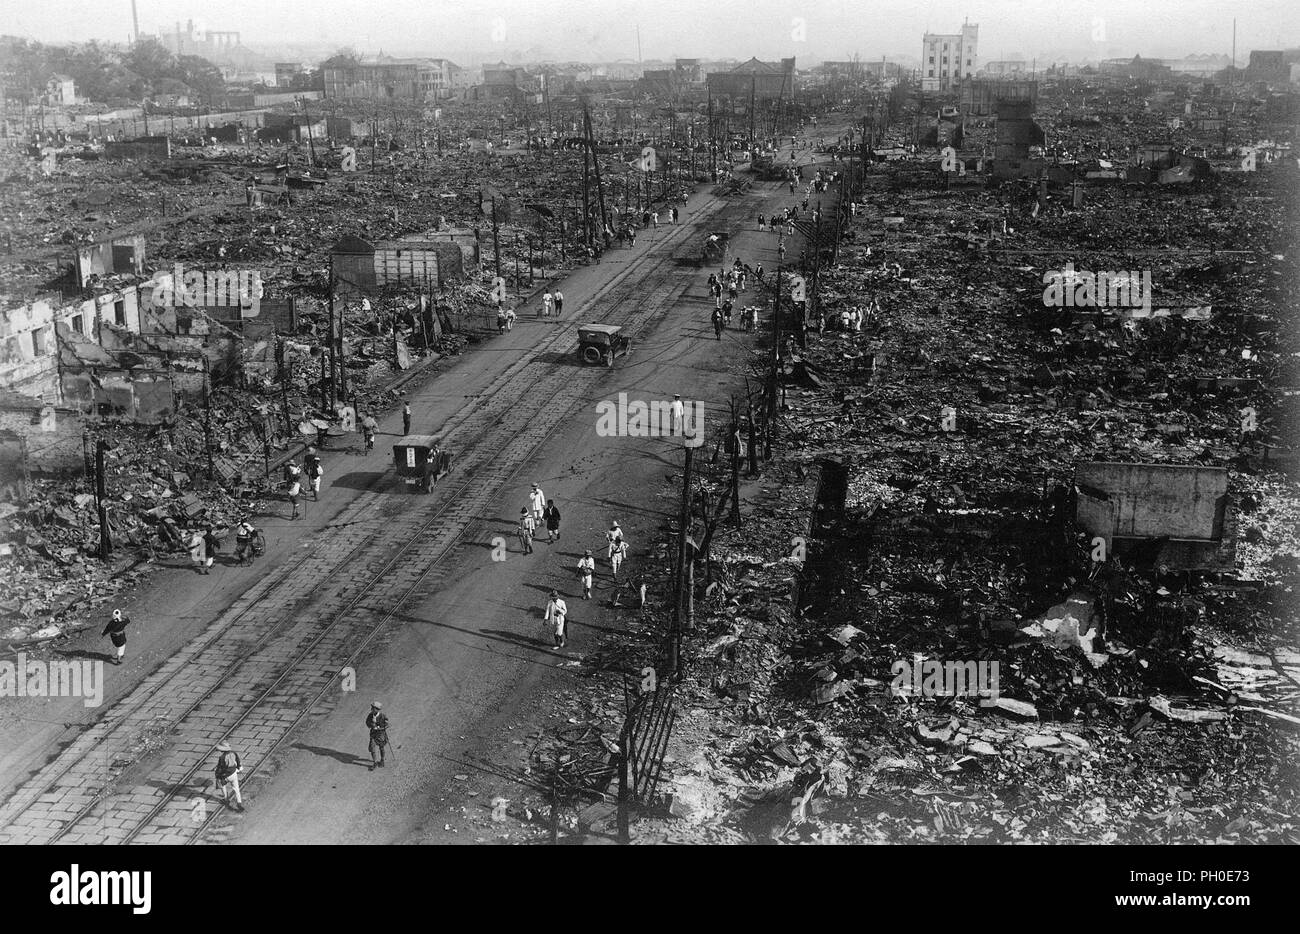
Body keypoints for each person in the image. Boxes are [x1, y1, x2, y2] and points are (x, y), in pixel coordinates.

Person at [213, 741, 244, 809]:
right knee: (236, 789)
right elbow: (238, 761)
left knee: (223, 785)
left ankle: (226, 799)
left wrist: (218, 774)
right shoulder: (234, 753)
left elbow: (221, 767)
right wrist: (238, 767)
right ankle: (239, 803)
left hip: (226, 775)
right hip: (233, 773)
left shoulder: (222, 757)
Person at [366, 702, 390, 770]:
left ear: (377, 709)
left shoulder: (383, 716)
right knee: (372, 748)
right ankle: (375, 762)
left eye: (373, 708)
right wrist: (371, 725)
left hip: (381, 734)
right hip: (373, 734)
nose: (371, 709)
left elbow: (387, 724)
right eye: (372, 708)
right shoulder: (370, 715)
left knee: (381, 747)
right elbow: (367, 723)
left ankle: (382, 760)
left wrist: (381, 728)